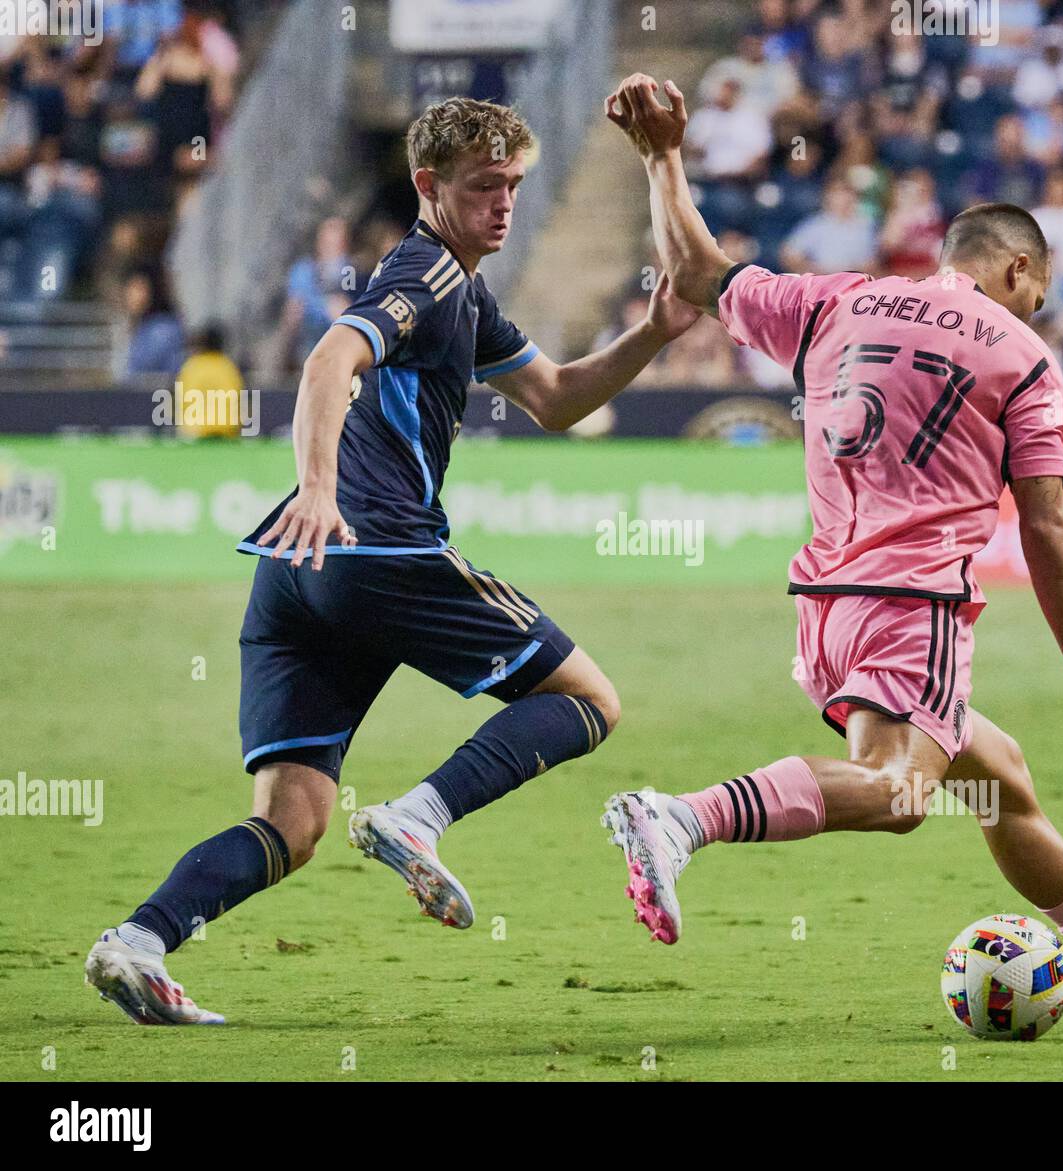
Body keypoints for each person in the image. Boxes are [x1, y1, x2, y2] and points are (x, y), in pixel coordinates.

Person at [600, 73, 1063, 1028]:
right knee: (901, 793)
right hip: (914, 602)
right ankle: (682, 817)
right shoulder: (1023, 357)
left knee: (999, 778)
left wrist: (663, 158)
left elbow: (699, 274)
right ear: (1012, 270)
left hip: (824, 605)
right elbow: (1046, 527)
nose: (1034, 310)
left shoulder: (840, 300)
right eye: (1036, 294)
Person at [85, 96, 702, 1025]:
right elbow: (329, 360)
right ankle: (420, 815)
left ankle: (137, 942)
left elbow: (559, 397)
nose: (504, 205)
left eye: (514, 186)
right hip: (371, 545)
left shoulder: (466, 289)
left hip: (295, 573)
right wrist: (321, 487)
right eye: (484, 187)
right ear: (428, 187)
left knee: (292, 821)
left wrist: (653, 332)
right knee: (587, 700)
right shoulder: (426, 277)